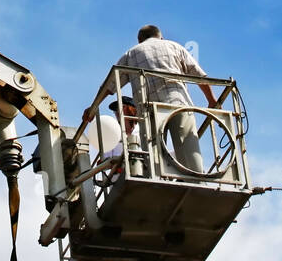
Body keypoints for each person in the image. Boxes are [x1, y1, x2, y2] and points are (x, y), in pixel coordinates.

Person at [83, 25, 218, 174]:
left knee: (154, 159)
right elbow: (199, 75)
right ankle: (197, 178)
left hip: (149, 110)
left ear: (140, 40)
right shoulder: (174, 47)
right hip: (179, 104)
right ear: (161, 37)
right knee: (189, 153)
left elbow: (109, 86)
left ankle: (157, 179)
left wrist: (93, 107)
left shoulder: (131, 54)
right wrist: (212, 100)